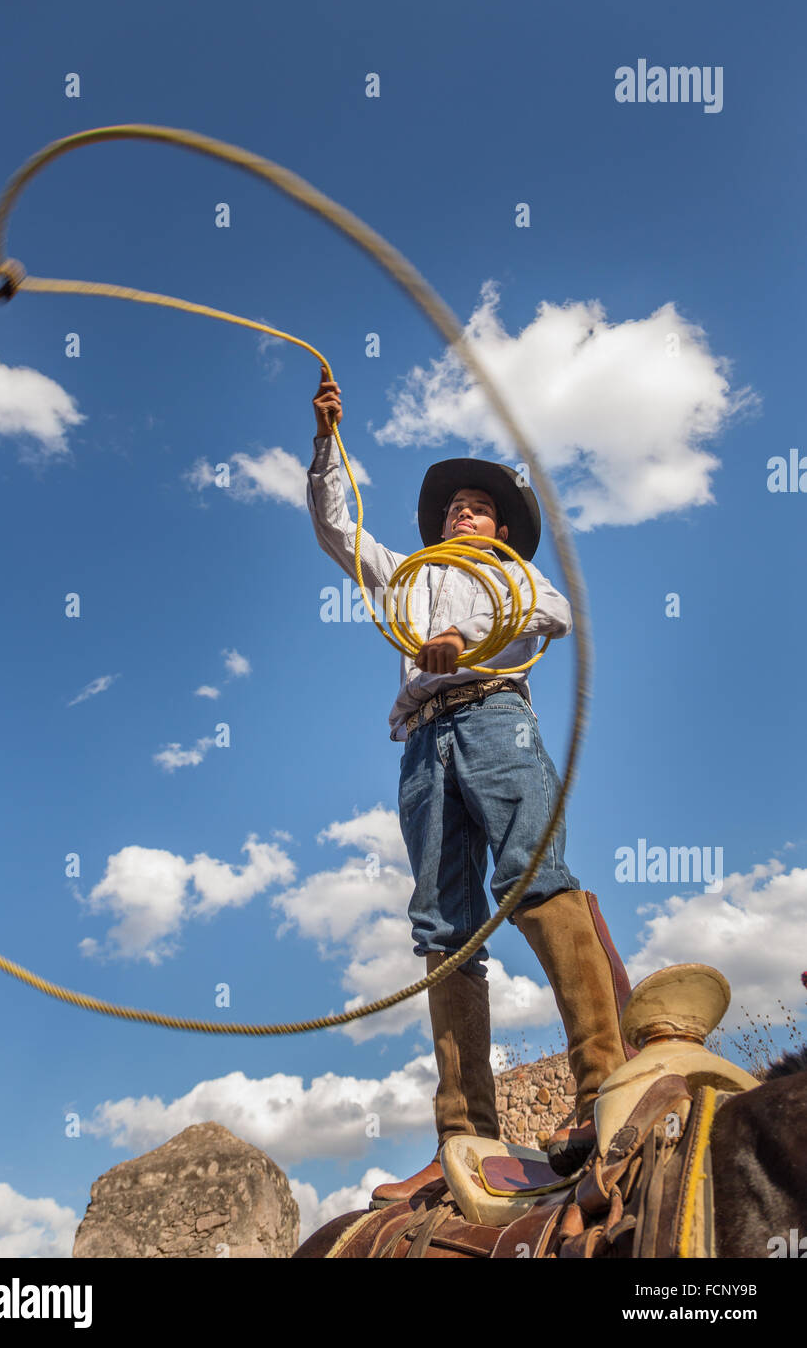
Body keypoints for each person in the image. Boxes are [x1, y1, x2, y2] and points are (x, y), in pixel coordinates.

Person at [306, 365, 634, 1196]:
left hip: (494, 719)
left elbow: (553, 616)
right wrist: (326, 443)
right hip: (422, 740)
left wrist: (465, 631)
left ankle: (603, 1088)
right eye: (455, 506)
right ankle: (464, 1133)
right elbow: (338, 528)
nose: (463, 511)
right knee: (442, 922)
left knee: (533, 876)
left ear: (501, 528)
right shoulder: (408, 574)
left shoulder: (520, 582)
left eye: (478, 507)